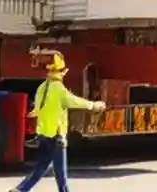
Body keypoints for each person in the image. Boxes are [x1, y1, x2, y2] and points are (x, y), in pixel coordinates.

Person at [10, 52, 106, 192]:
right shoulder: (59, 90)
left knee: (42, 167)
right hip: (57, 137)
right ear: (61, 72)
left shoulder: (42, 88)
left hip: (43, 134)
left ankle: (21, 190)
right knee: (61, 175)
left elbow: (37, 110)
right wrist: (94, 105)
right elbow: (76, 102)